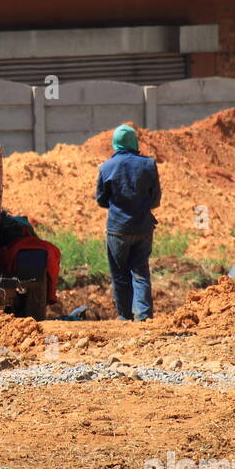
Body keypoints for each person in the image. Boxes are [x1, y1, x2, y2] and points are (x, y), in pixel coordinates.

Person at [95, 124, 161, 321]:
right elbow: (155, 198)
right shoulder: (148, 164)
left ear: (116, 143)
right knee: (140, 271)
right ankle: (144, 316)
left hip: (117, 229)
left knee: (120, 274)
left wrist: (118, 207)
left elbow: (100, 199)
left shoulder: (106, 167)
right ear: (134, 142)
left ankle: (124, 317)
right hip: (143, 227)